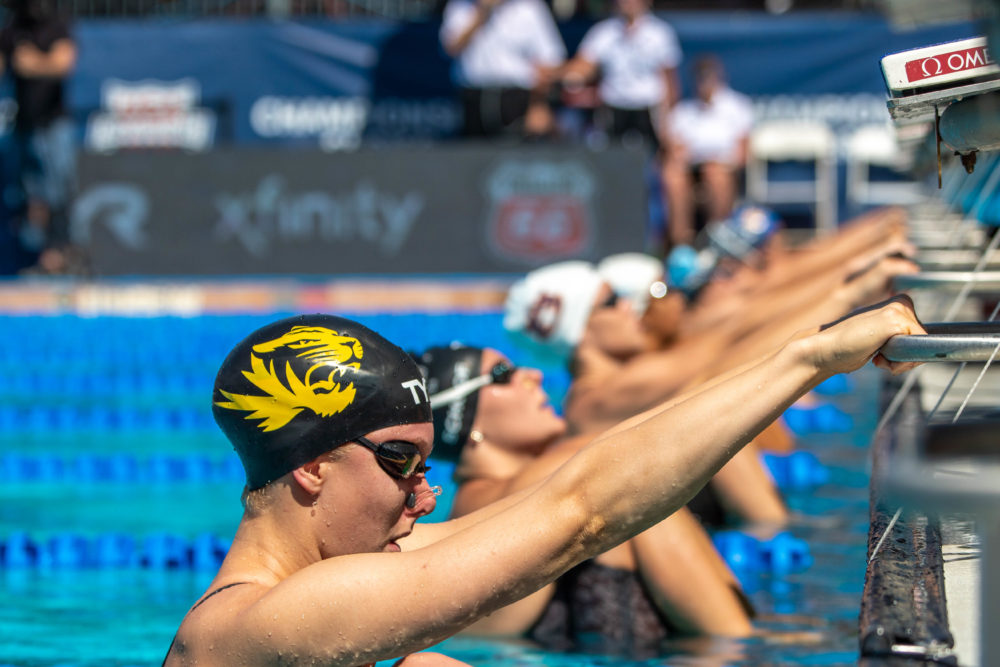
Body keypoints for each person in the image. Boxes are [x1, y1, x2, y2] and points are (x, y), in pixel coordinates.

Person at [163, 302, 924, 666]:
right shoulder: (259, 628)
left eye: (427, 466)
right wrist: (807, 361)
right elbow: (580, 513)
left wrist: (807, 353)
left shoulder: (310, 603)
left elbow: (571, 489)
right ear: (312, 465)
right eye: (399, 461)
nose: (425, 496)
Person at [416, 343, 754, 654]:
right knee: (637, 483)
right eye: (503, 374)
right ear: (466, 422)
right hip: (726, 653)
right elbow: (632, 444)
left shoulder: (552, 478)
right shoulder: (486, 505)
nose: (533, 375)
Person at [0, 0, 77, 275]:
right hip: (25, 124)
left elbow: (63, 62)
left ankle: (61, 252)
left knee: (58, 188)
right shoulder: (12, 28)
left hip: (53, 123)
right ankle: (37, 257)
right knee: (31, 193)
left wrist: (33, 63)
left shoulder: (55, 24)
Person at [439, 0, 565, 139]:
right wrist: (482, 12)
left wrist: (538, 105)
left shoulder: (529, 7)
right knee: (470, 149)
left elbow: (550, 62)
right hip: (473, 99)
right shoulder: (459, 6)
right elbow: (452, 48)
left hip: (516, 99)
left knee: (516, 150)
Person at [663, 56, 754, 246]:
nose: (704, 82)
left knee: (713, 172)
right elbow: (675, 149)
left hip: (724, 168)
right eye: (700, 77)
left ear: (719, 77)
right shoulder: (683, 111)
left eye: (709, 76)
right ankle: (681, 242)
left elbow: (743, 153)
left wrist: (718, 160)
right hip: (690, 169)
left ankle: (717, 240)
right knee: (672, 176)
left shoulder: (738, 107)